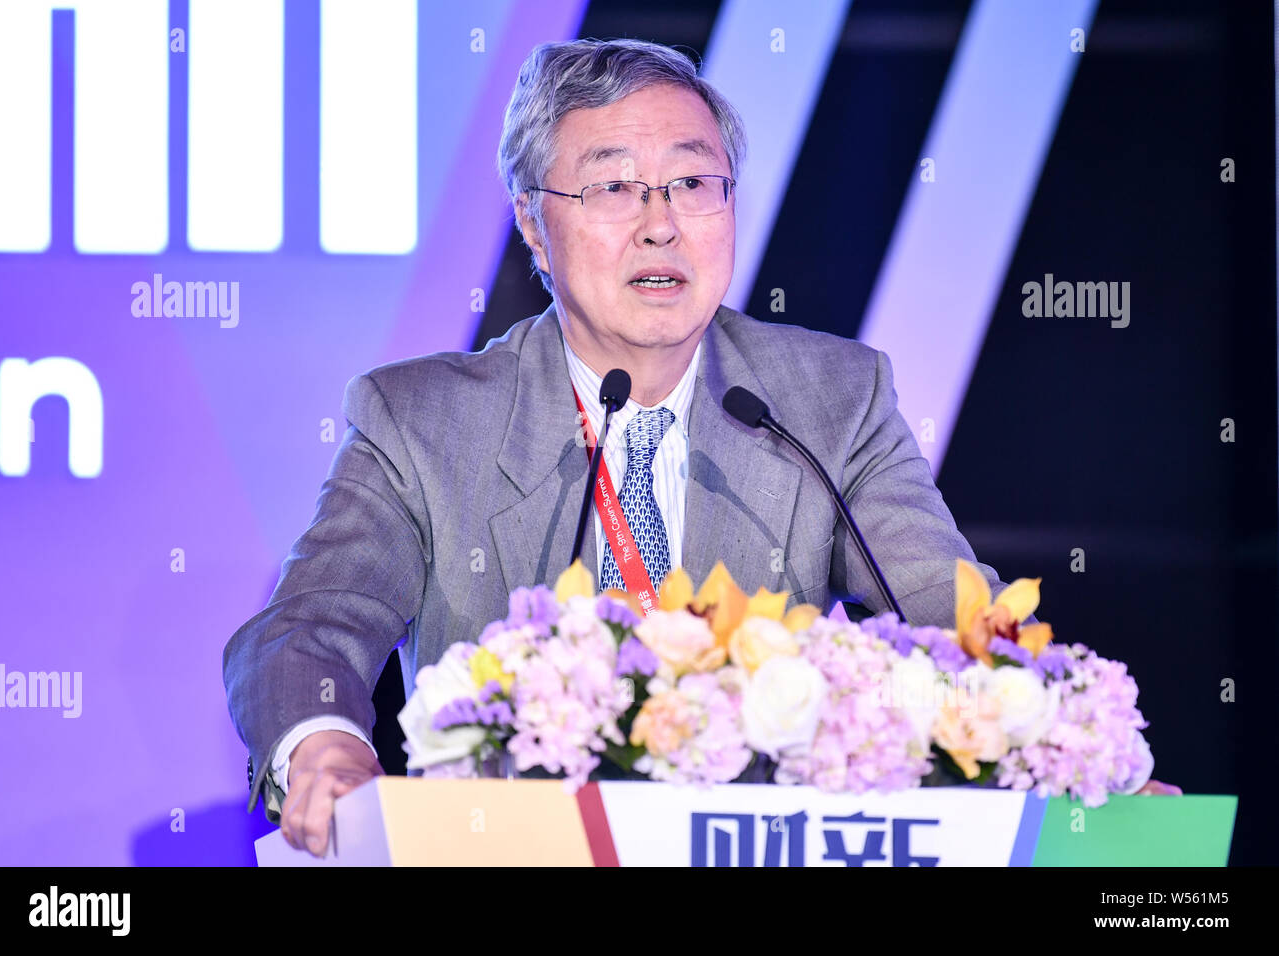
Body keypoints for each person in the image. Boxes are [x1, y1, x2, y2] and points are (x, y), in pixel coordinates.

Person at [223, 38, 1175, 860]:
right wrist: (324, 745)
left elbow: (955, 617)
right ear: (531, 225)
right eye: (610, 186)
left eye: (691, 181)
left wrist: (1074, 757)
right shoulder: (421, 420)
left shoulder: (830, 401)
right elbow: (303, 629)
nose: (660, 220)